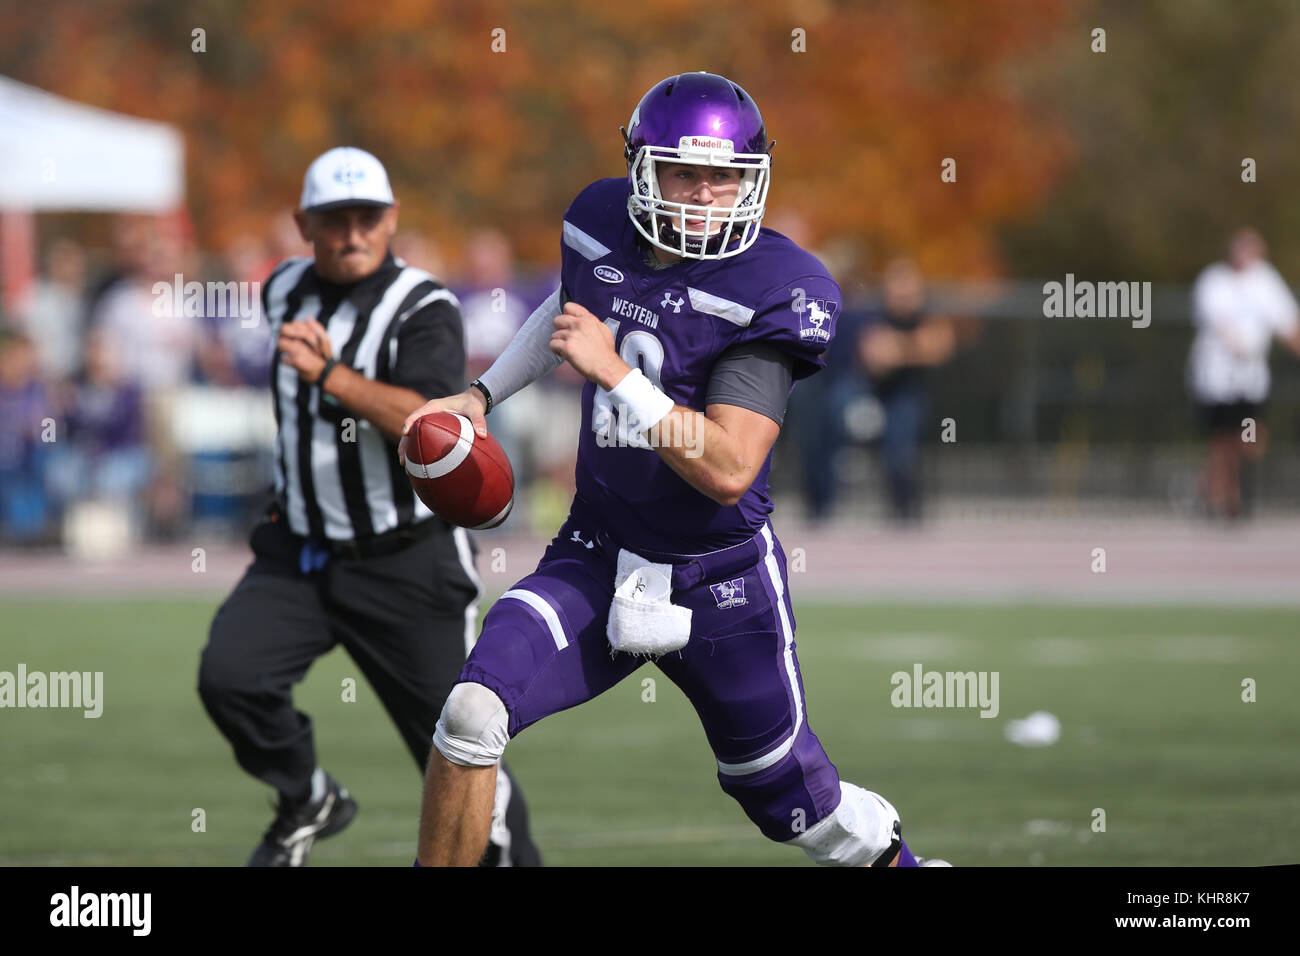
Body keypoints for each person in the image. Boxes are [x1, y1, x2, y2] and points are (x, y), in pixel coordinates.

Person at [405, 73, 948, 867]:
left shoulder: (776, 286)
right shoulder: (597, 222)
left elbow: (729, 466)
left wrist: (617, 376)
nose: (703, 194)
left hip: (716, 576)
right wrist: (486, 392)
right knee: (470, 714)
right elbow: (570, 307)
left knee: (793, 805)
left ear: (752, 180)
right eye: (683, 173)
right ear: (640, 170)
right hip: (596, 554)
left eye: (723, 175)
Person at [198, 146, 539, 866]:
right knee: (231, 677)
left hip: (405, 561)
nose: (352, 233)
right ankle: (306, 796)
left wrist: (332, 376)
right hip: (301, 549)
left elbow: (430, 421)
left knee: (461, 754)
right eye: (334, 220)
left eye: (366, 218)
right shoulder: (283, 287)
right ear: (303, 225)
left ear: (390, 221)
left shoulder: (425, 305)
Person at [1187, 228, 1300, 519]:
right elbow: (1219, 323)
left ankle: (1221, 489)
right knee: (1222, 441)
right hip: (1216, 379)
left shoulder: (1265, 281)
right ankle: (1221, 496)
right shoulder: (1214, 281)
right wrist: (1236, 344)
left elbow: (1288, 324)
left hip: (1250, 380)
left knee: (1250, 438)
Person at [859, 258, 955, 523]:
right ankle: (898, 511)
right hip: (878, 397)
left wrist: (899, 349)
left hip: (917, 396)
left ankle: (909, 512)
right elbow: (873, 354)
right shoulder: (876, 315)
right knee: (889, 454)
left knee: (904, 453)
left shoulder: (927, 313)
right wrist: (914, 347)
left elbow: (938, 345)